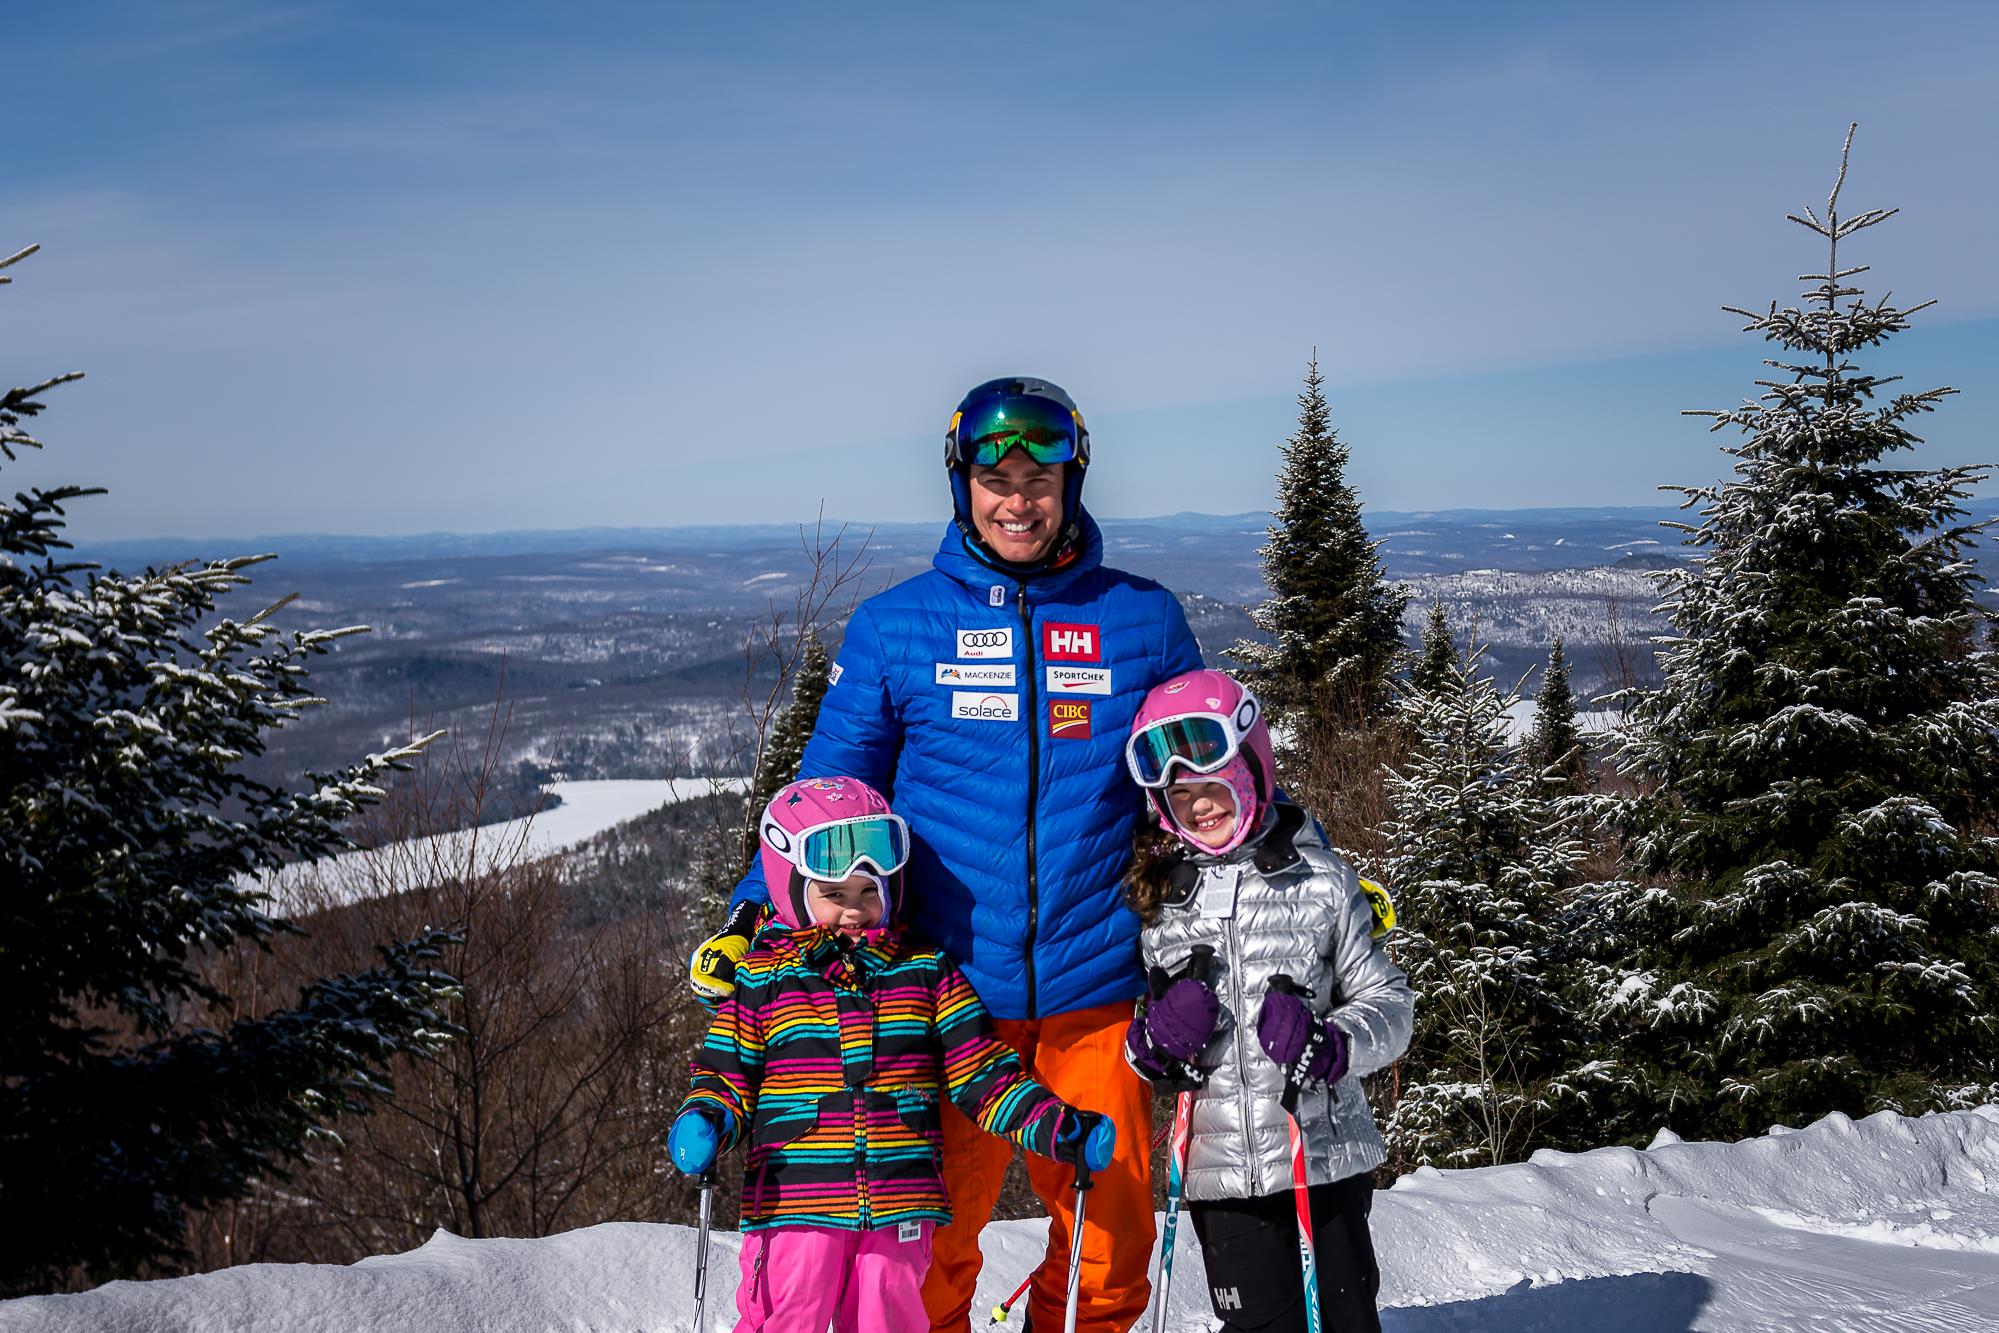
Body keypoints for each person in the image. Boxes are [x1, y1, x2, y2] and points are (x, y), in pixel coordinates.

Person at [687, 377, 1204, 1332]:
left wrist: (1306, 864)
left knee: (1113, 1235)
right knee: (929, 1249)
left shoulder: (1143, 620)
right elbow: (825, 790)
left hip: (1097, 987)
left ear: (1073, 480)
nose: (1018, 497)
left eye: (1039, 476)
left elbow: (1213, 759)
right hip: (937, 998)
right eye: (994, 475)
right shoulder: (897, 628)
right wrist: (754, 914)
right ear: (961, 483)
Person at [669, 776, 1116, 1333]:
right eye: (834, 895)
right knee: (788, 1318)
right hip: (794, 1202)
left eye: (868, 893)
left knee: (888, 1321)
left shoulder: (923, 970)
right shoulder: (763, 978)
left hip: (900, 1203)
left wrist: (1054, 1126)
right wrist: (707, 1117)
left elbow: (980, 1073)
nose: (853, 911)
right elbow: (727, 1073)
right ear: (792, 889)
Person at [1120, 669, 1414, 1333]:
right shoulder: (1161, 901)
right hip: (1219, 1171)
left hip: (1321, 1154)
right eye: (1180, 793)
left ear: (1252, 767)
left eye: (1211, 783)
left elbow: (1389, 1005)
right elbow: (1145, 1048)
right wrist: (1158, 1042)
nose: (1198, 805)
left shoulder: (1320, 881)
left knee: (1343, 1317)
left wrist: (1331, 1042)